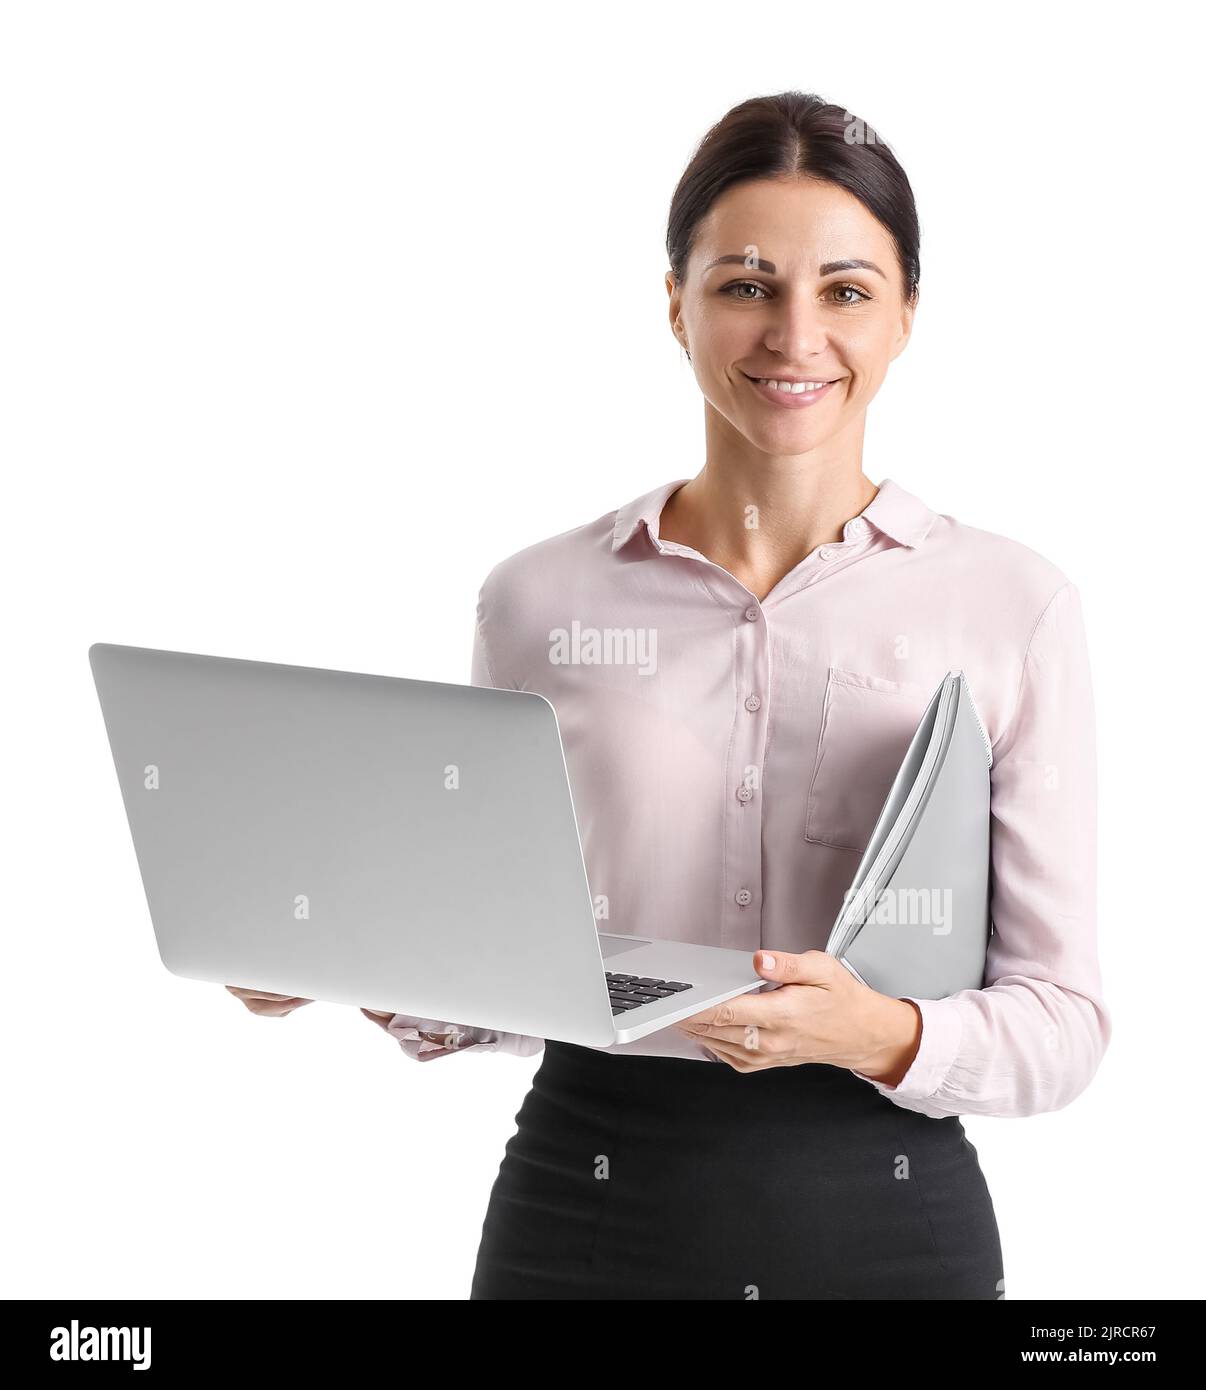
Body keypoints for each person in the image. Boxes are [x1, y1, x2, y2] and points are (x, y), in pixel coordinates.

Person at [229, 90, 1110, 1300]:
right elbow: (512, 968)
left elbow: (1063, 1021)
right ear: (675, 304)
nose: (796, 336)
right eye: (746, 285)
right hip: (586, 1214)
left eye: (846, 290)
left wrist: (882, 1033)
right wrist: (344, 954)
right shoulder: (538, 599)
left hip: (885, 1225)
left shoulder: (1013, 604)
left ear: (907, 314)